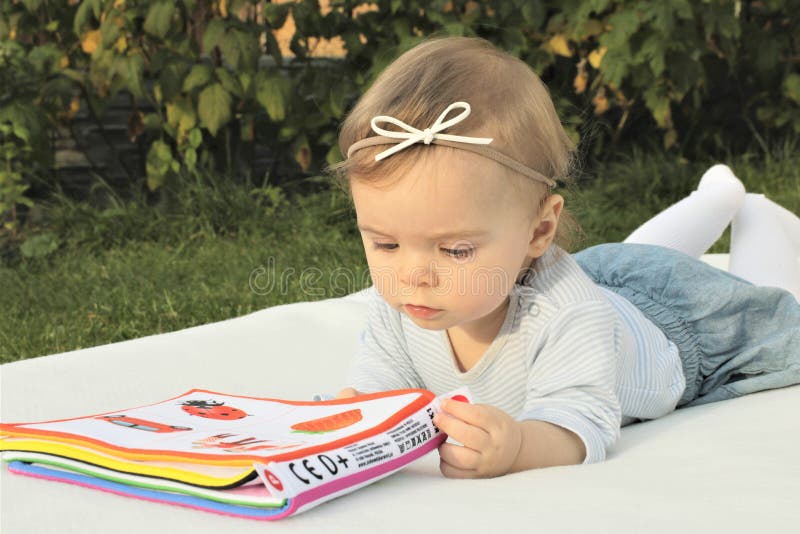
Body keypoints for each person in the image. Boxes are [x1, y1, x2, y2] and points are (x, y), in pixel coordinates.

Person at [325, 36, 800, 479]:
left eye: (455, 250)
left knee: (770, 310)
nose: (413, 275)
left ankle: (758, 214)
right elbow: (380, 389)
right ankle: (715, 197)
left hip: (676, 335)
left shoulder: (569, 314)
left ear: (540, 231)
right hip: (614, 287)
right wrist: (352, 415)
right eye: (386, 244)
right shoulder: (402, 305)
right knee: (643, 259)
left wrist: (518, 447)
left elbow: (582, 424)